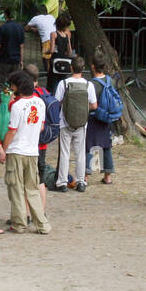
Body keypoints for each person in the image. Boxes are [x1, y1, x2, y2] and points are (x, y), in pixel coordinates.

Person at [3, 71, 51, 234]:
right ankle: (42, 223)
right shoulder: (40, 102)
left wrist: (3, 149)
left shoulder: (17, 106)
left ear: (18, 87)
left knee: (16, 188)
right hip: (33, 151)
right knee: (32, 188)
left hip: (17, 151)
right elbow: (42, 126)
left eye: (13, 85)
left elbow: (11, 131)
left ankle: (19, 222)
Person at [54, 56, 96, 191]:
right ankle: (81, 181)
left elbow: (57, 102)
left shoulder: (63, 83)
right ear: (83, 69)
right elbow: (94, 105)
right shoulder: (89, 85)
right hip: (82, 123)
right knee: (80, 153)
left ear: (71, 67)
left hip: (65, 122)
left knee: (64, 152)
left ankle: (62, 182)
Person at [85, 59, 116, 187]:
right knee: (106, 145)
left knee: (89, 145)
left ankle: (85, 175)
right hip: (107, 117)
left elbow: (91, 104)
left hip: (94, 117)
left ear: (93, 66)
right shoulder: (111, 81)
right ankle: (107, 176)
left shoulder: (91, 84)